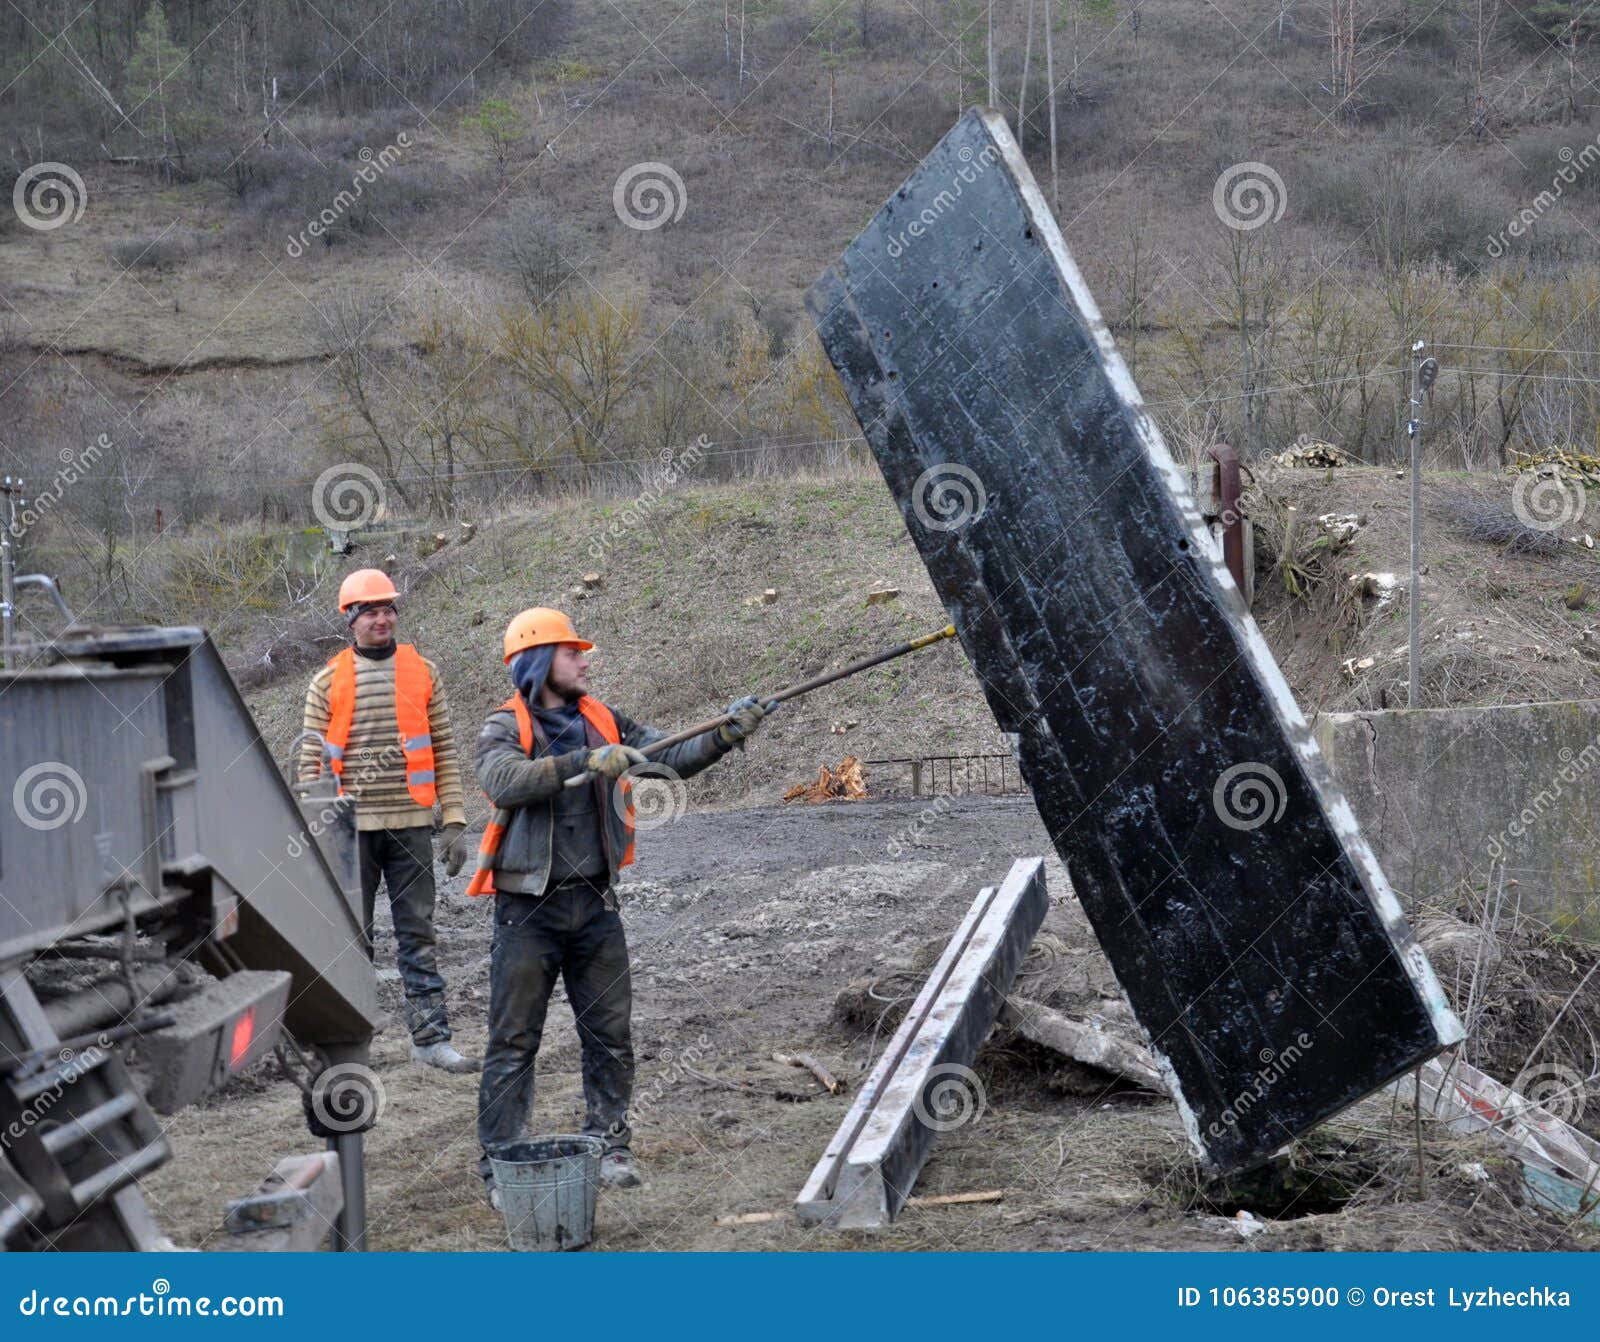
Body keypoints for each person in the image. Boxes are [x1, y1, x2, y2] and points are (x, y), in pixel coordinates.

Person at [468, 607, 773, 1201]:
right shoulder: (505, 725)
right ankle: (501, 1167)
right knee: (513, 1043)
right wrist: (581, 762)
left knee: (610, 1038)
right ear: (536, 661)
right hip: (527, 911)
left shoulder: (603, 717)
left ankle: (610, 1146)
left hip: (595, 904)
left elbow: (668, 755)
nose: (585, 660)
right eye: (571, 651)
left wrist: (725, 734)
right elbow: (502, 780)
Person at [297, 568, 478, 1074]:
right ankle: (350, 1046)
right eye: (371, 611)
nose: (383, 618)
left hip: (412, 825)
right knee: (352, 941)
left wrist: (455, 820)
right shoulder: (326, 681)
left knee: (417, 933)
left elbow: (443, 747)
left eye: (389, 609)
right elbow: (310, 763)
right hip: (346, 829)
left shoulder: (424, 672)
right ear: (351, 620)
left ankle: (431, 1039)